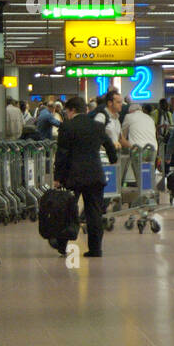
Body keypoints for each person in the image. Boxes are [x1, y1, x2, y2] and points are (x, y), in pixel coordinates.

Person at [53, 95, 117, 258]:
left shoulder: (67, 127)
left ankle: (62, 246)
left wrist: (58, 177)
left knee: (68, 210)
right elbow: (109, 145)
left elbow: (62, 154)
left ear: (72, 110)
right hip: (95, 175)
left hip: (73, 176)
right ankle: (96, 249)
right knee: (94, 213)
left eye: (67, 111)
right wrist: (113, 160)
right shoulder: (97, 126)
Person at [120, 102, 158, 193]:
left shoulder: (129, 117)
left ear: (130, 111)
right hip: (153, 149)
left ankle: (143, 197)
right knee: (148, 172)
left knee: (139, 174)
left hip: (138, 149)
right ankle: (149, 193)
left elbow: (122, 137)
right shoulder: (149, 118)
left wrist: (127, 145)